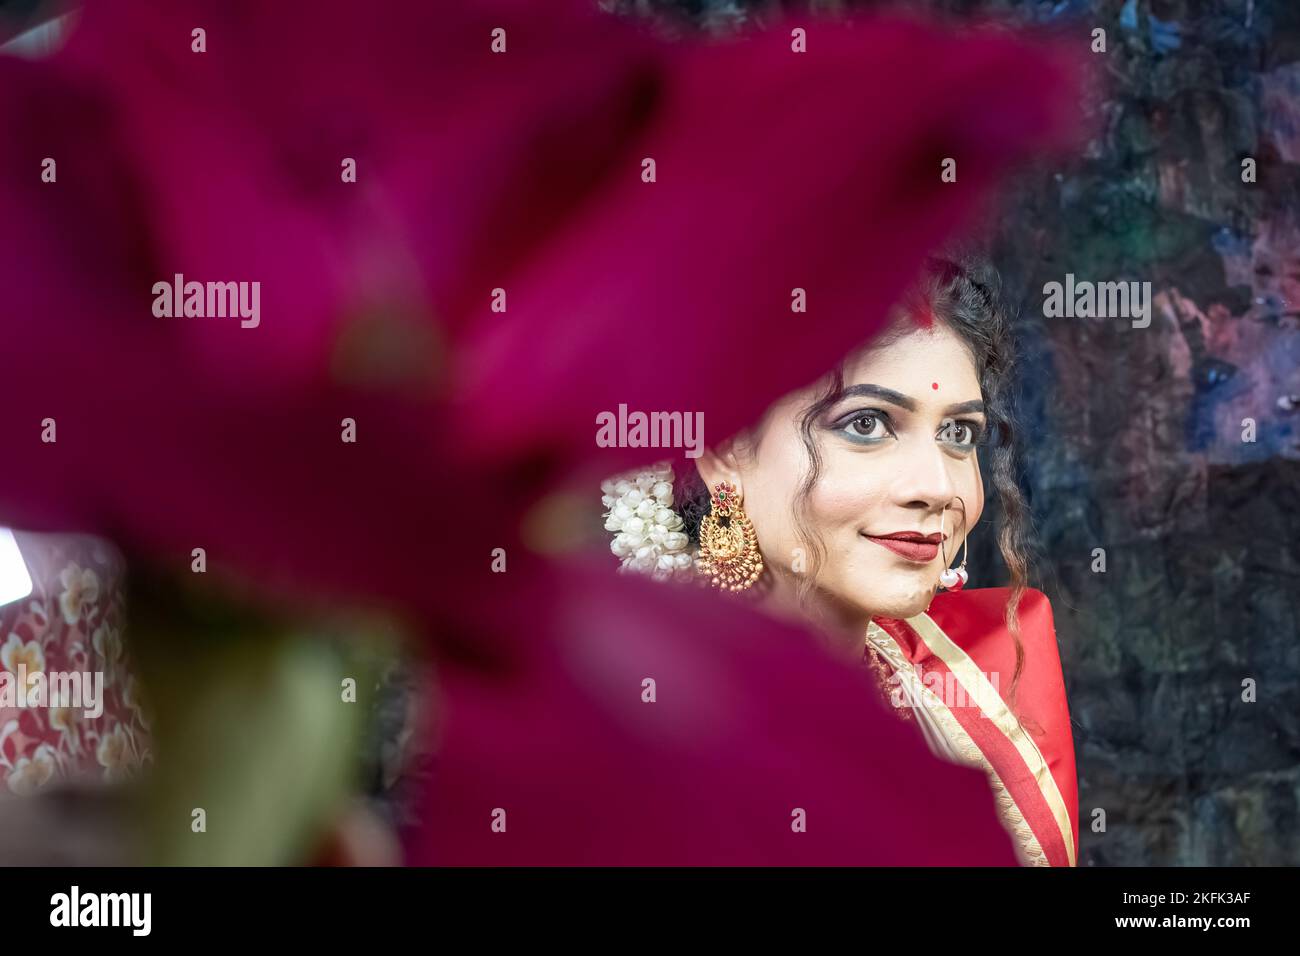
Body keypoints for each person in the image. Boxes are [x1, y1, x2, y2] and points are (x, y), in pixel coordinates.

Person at [602, 255, 1079, 866]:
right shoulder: (607, 725)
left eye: (959, 434)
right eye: (867, 423)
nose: (937, 487)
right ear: (724, 452)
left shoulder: (982, 691)